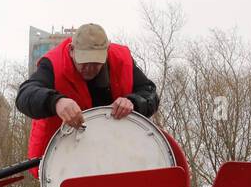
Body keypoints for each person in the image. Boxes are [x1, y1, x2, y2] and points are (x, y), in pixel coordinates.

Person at [16, 23, 160, 164]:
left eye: (96, 63)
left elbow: (150, 94)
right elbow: (24, 95)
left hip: (114, 152)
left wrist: (133, 102)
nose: (90, 68)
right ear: (72, 50)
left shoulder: (123, 60)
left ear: (107, 52)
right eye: (84, 62)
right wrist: (56, 102)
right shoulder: (52, 64)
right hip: (60, 157)